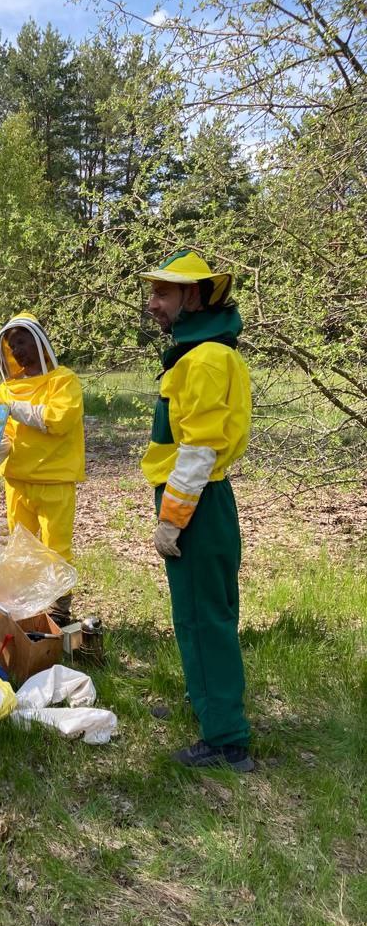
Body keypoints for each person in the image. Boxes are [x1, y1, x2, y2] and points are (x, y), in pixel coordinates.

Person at [139, 250, 253, 772]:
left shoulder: (206, 358)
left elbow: (199, 448)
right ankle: (211, 707)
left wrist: (172, 517)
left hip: (197, 501)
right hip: (202, 500)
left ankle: (226, 740)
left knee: (201, 618)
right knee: (207, 615)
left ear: (192, 296)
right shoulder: (203, 353)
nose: (152, 304)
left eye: (162, 293)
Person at [0, 312, 85, 625]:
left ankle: (59, 613)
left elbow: (58, 420)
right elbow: (8, 435)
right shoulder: (6, 389)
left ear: (41, 343)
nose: (17, 349)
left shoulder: (63, 380)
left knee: (56, 548)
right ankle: (27, 612)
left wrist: (13, 409)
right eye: (12, 343)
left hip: (54, 480)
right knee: (21, 548)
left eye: (23, 340)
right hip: (17, 481)